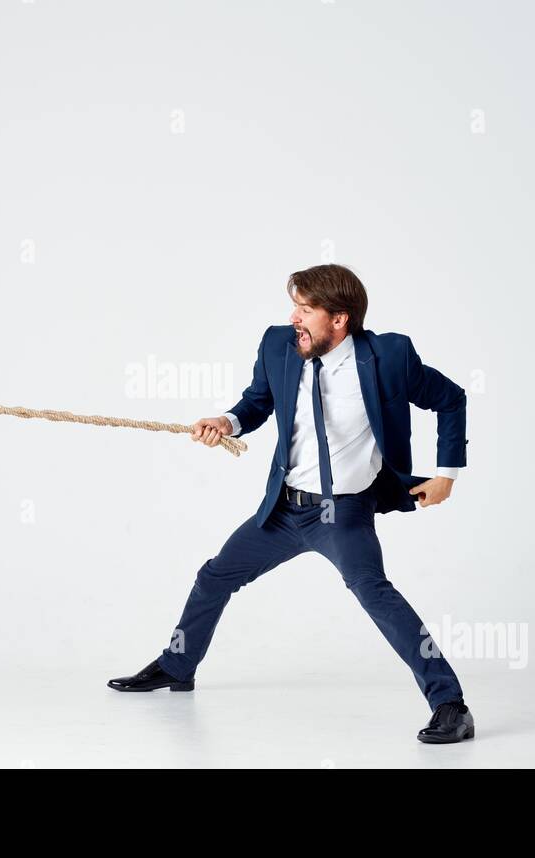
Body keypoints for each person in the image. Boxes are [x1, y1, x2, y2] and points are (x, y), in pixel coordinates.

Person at [107, 264, 474, 743]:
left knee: (376, 595)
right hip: (284, 508)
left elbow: (452, 399)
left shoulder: (390, 356)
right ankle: (178, 667)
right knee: (214, 576)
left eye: (305, 310)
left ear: (339, 319)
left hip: (343, 512)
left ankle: (450, 705)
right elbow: (256, 402)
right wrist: (226, 421)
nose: (294, 318)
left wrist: (446, 475)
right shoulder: (278, 344)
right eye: (294, 307)